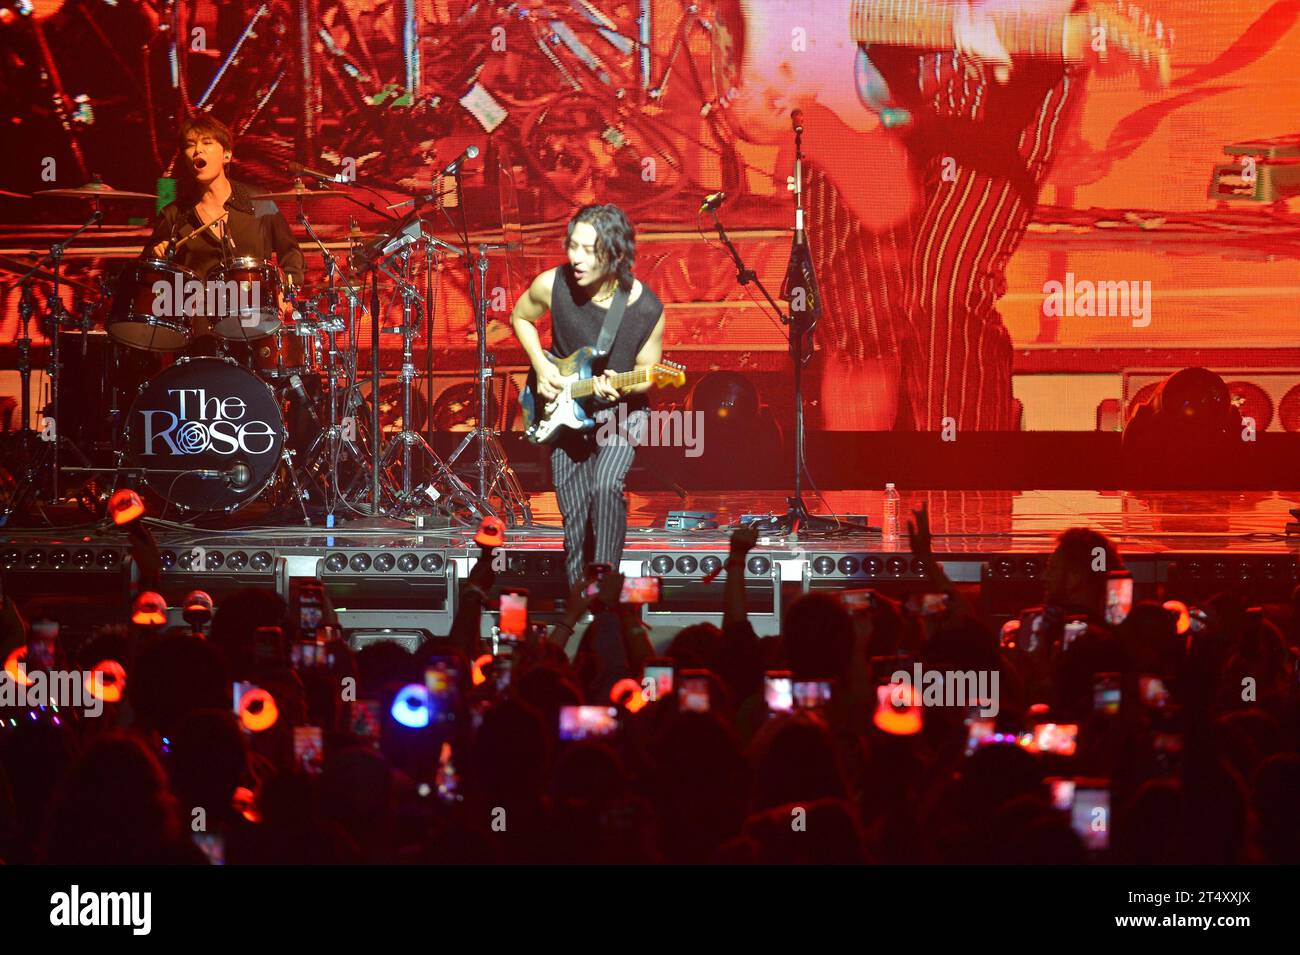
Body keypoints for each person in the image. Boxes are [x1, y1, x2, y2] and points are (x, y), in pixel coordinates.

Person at [730, 0, 1084, 430]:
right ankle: (858, 485)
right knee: (857, 318)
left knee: (946, 287)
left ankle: (963, 485)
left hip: (999, 92)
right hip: (876, 78)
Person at [508, 204, 665, 587]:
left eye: (587, 249)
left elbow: (649, 376)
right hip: (565, 410)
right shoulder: (552, 283)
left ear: (613, 253)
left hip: (621, 415)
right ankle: (581, 599)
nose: (575, 258)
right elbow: (520, 317)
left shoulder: (647, 308)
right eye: (572, 246)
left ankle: (606, 587)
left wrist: (623, 383)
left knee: (606, 485)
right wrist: (543, 368)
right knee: (575, 518)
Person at [143, 115, 302, 351]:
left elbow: (291, 253)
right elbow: (148, 277)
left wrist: (287, 293)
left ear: (226, 155)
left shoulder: (259, 203)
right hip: (199, 331)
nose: (197, 150)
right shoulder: (174, 216)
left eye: (206, 143)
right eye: (190, 145)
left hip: (256, 322)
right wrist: (157, 256)